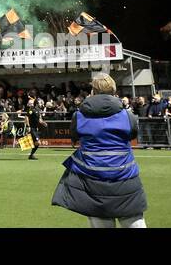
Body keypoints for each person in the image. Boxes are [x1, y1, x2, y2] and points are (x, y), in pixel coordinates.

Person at [51, 74, 149, 228]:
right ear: (114, 91)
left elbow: (74, 137)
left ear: (93, 91)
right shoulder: (127, 115)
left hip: (93, 179)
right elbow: (132, 135)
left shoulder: (79, 116)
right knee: (134, 222)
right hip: (125, 176)